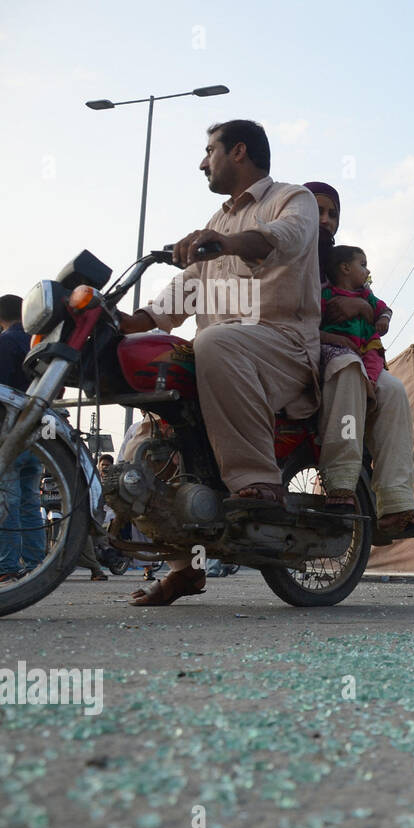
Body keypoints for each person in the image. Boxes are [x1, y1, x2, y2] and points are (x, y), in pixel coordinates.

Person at [117, 120, 321, 605]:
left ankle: (258, 483)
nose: (202, 161)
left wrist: (226, 242)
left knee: (215, 341)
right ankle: (184, 569)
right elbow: (170, 304)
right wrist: (112, 319)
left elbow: (282, 239)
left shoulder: (294, 200)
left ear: (239, 152)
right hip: (226, 354)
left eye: (209, 150)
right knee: (152, 432)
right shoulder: (216, 222)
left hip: (282, 345)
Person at [302, 181, 414, 541]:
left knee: (392, 389)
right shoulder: (287, 252)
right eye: (317, 211)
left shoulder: (337, 263)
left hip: (349, 352)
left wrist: (365, 313)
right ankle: (341, 486)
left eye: (333, 214)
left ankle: (395, 506)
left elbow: (377, 310)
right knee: (347, 368)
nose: (326, 220)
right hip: (301, 351)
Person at [0, 294, 44, 581]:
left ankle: (7, 566)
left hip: (10, 432)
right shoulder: (36, 342)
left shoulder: (4, 342)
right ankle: (37, 563)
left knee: (8, 500)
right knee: (30, 500)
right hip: (40, 435)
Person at [321, 245, 390, 388]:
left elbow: (384, 309)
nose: (368, 270)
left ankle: (370, 382)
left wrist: (383, 319)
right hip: (338, 348)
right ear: (346, 268)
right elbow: (314, 321)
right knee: (349, 365)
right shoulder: (326, 295)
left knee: (374, 359)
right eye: (363, 265)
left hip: (367, 345)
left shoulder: (366, 295)